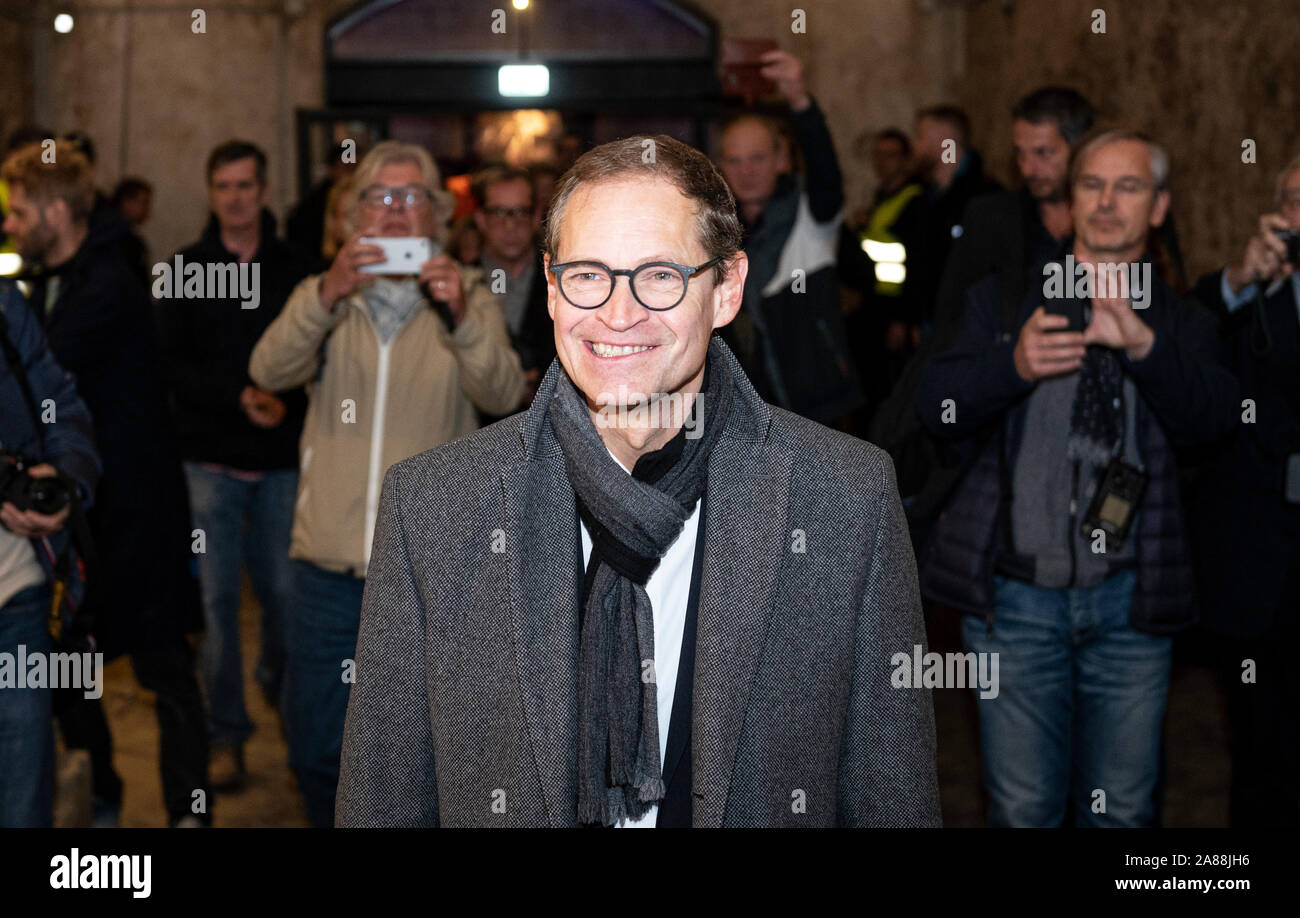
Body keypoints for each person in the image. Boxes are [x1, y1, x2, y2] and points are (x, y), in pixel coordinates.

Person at [336, 134, 940, 828]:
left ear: (726, 289)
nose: (618, 314)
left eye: (659, 275)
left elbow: (892, 801)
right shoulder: (435, 508)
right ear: (553, 289)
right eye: (589, 274)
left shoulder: (844, 500)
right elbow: (382, 801)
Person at [916, 130, 1239, 827]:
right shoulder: (1006, 301)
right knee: (1023, 808)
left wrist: (1147, 350)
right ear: (1068, 202)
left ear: (1159, 207)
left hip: (1131, 602)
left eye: (1129, 187)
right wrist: (1013, 366)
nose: (1107, 202)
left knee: (1122, 811)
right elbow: (935, 409)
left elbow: (1216, 422)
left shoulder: (1182, 318)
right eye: (1092, 184)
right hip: (1015, 602)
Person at [249, 140, 525, 827]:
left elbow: (500, 391)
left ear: (436, 216)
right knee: (317, 747)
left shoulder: (471, 298)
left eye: (413, 199)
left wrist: (459, 314)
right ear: (353, 217)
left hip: (432, 572)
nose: (397, 212)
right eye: (381, 197)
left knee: (427, 756)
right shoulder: (325, 298)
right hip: (329, 571)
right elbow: (269, 370)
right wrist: (326, 294)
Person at [2, 141, 210, 827]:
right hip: (86, 516)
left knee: (161, 667)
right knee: (75, 672)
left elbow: (43, 382)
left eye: (20, 210)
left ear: (57, 212)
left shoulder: (105, 287)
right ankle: (102, 796)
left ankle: (187, 809)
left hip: (133, 513)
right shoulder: (49, 280)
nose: (10, 224)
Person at [871, 88, 1096, 549]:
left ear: (1082, 149)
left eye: (1045, 153)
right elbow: (951, 321)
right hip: (997, 427)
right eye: (1021, 154)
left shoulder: (1106, 221)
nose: (1030, 167)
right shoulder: (993, 217)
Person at [155, 140, 313, 790]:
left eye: (246, 184)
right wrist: (239, 395)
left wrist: (285, 399)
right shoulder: (185, 269)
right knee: (216, 609)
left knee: (284, 598)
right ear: (211, 194)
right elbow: (170, 365)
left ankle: (275, 681)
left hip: (279, 463)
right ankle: (227, 735)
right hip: (210, 465)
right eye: (224, 186)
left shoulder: (297, 269)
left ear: (265, 190)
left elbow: (317, 356)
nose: (236, 197)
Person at [1186, 152, 1300, 827]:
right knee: (1262, 750)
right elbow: (1190, 337)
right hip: (1264, 573)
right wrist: (1240, 278)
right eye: (1294, 199)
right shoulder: (1246, 299)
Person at [715, 50, 862, 425]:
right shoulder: (717, 236)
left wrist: (799, 99)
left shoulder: (810, 215)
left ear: (781, 160)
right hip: (748, 417)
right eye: (735, 160)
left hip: (819, 410)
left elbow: (826, 172)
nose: (746, 171)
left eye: (758, 158)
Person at [0, 282, 100, 827]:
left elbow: (59, 405)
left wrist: (65, 479)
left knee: (23, 800)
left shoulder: (4, 305)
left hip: (16, 593)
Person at [474, 164, 555, 404]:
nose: (510, 225)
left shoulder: (562, 278)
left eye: (520, 212)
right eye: (499, 212)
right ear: (481, 219)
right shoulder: (461, 283)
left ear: (535, 215)